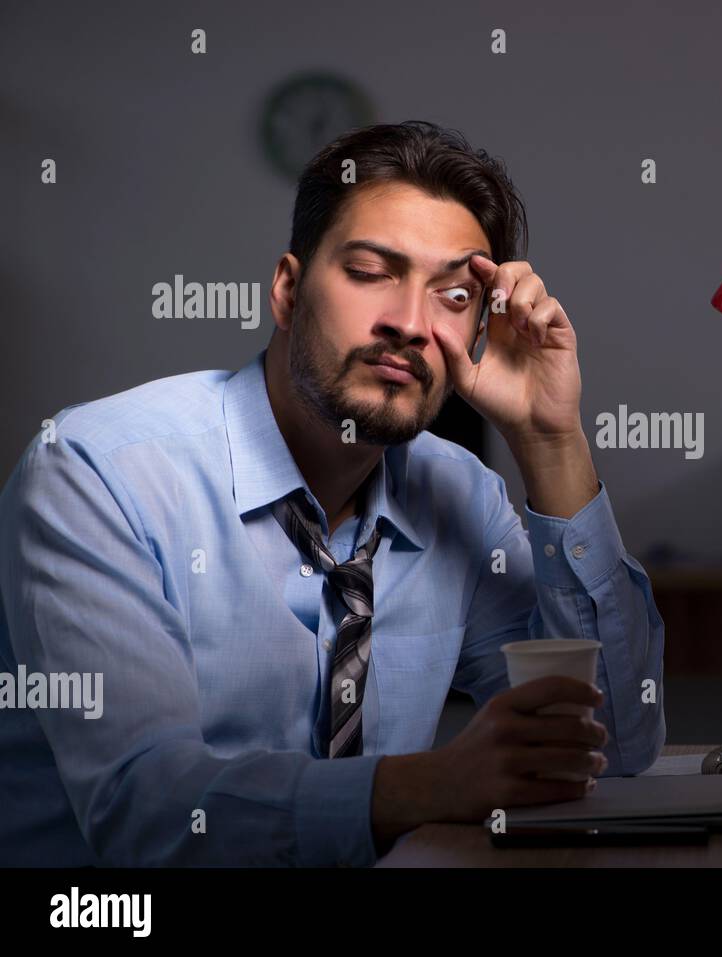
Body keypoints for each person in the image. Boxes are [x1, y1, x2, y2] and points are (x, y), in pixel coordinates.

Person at [0, 120, 666, 866]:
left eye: (451, 294)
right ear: (288, 291)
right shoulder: (98, 471)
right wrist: (431, 783)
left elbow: (622, 744)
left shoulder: (459, 493)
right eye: (371, 271)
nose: (410, 324)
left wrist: (550, 442)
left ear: (481, 328)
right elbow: (146, 809)